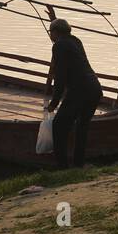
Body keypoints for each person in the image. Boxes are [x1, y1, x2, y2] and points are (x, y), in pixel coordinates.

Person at [46, 18, 102, 167]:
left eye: (50, 32)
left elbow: (60, 76)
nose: (50, 36)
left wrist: (54, 102)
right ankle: (78, 165)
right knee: (82, 126)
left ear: (56, 32)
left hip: (80, 90)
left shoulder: (59, 45)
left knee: (58, 125)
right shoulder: (76, 41)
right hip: (95, 88)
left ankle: (62, 167)